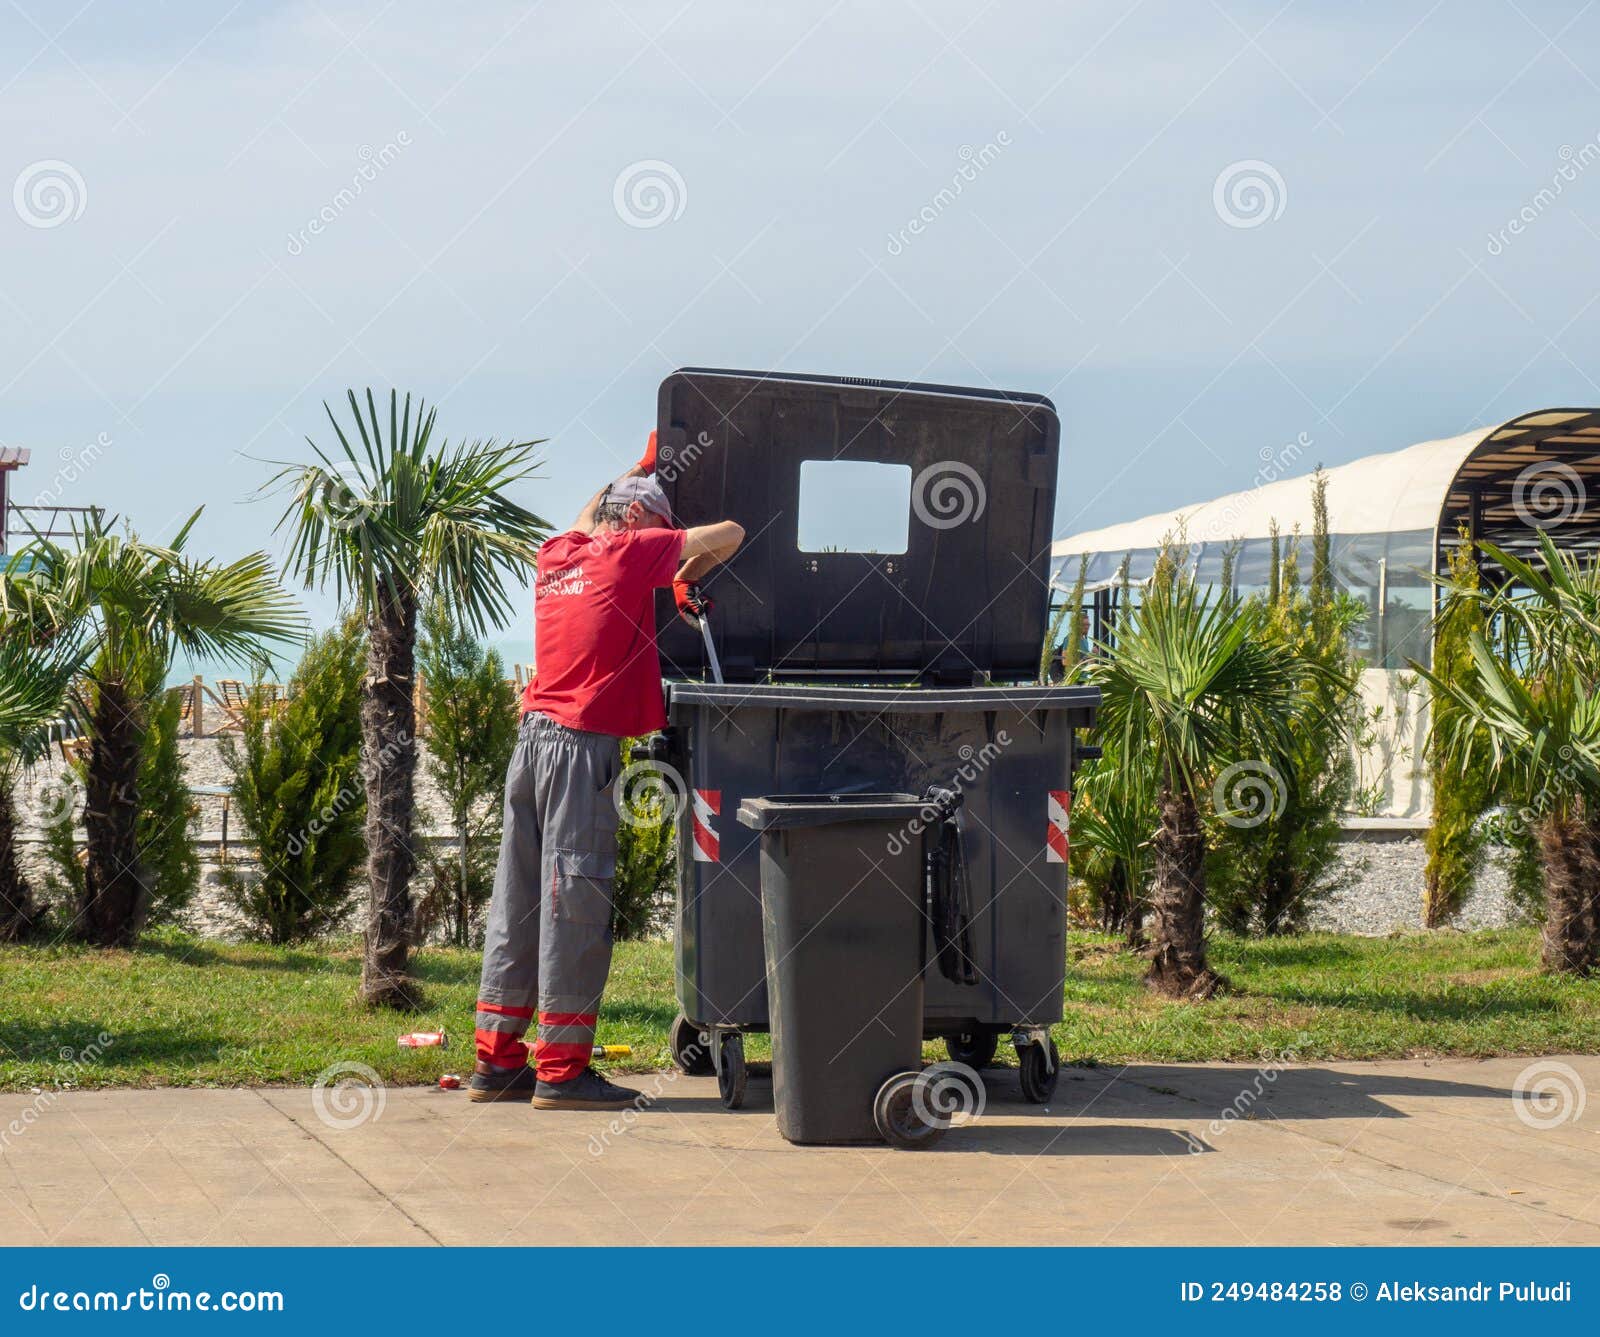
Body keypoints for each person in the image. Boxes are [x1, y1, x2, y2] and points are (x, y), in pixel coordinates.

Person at [471, 432, 744, 1108]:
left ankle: (496, 1062)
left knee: (520, 900)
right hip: (578, 747)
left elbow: (591, 511)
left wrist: (642, 468)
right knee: (575, 901)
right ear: (640, 522)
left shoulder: (557, 554)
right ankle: (562, 1073)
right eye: (660, 517)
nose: (666, 529)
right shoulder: (632, 550)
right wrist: (682, 562)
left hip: (531, 741)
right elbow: (733, 533)